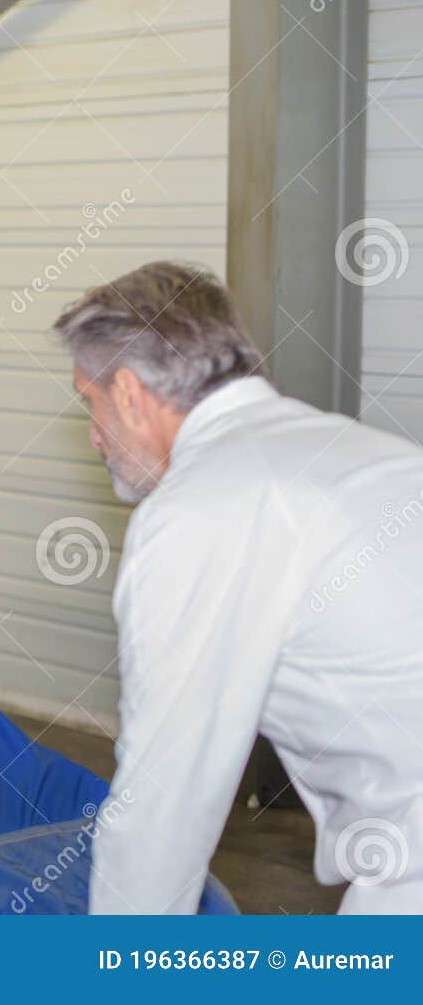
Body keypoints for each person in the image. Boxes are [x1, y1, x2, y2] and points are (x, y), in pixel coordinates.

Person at [53, 261, 423, 913]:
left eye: (91, 402)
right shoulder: (369, 455)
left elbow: (168, 793)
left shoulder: (201, 508)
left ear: (132, 395)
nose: (92, 438)